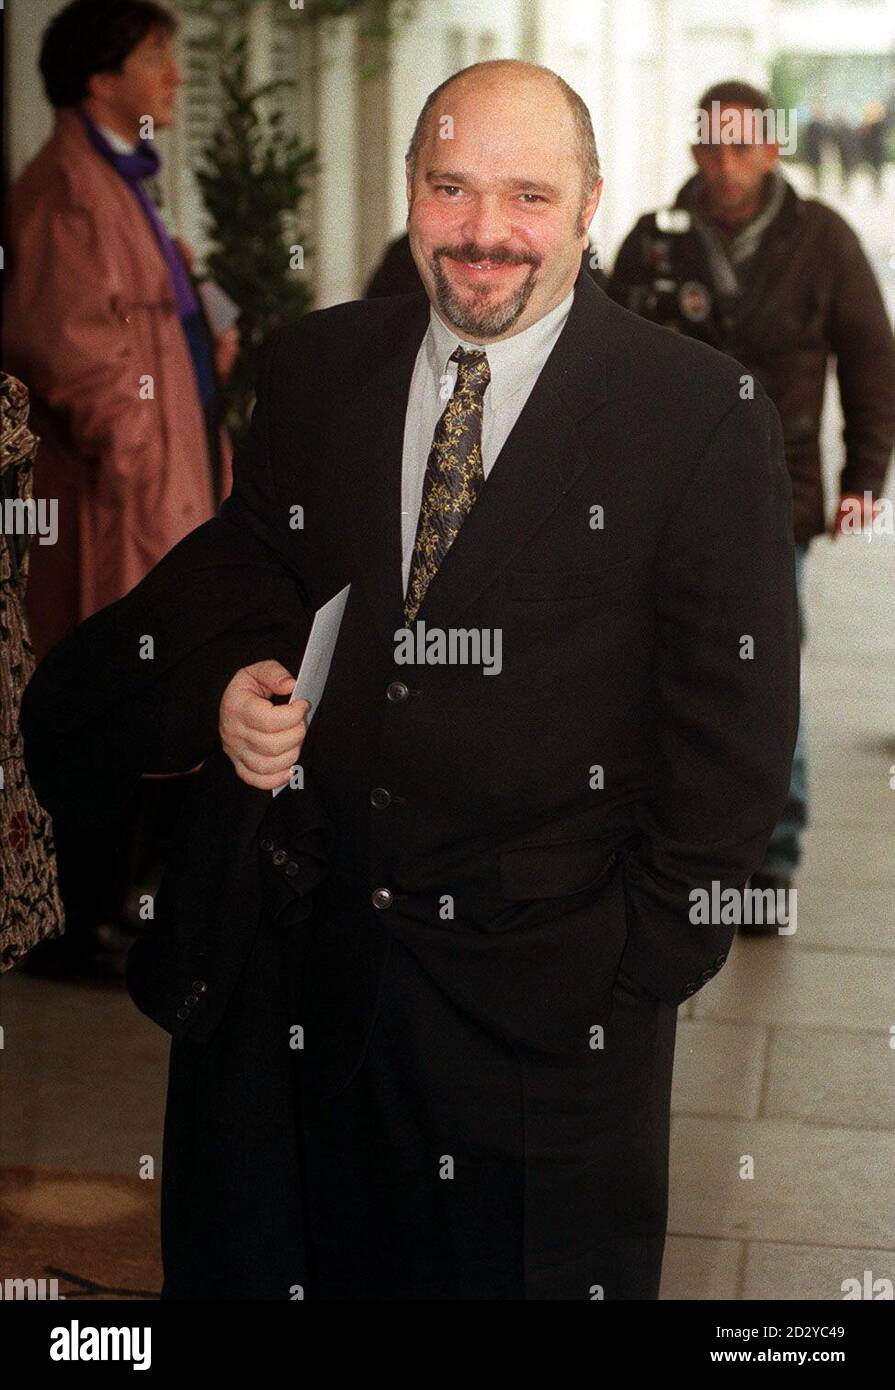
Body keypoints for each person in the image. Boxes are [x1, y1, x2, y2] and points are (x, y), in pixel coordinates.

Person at [22, 59, 799, 1299]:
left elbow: (736, 734)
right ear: (408, 189)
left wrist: (634, 961)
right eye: (450, 188)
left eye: (528, 196)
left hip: (545, 1032)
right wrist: (229, 676)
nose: (486, 233)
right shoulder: (324, 364)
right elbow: (249, 568)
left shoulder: (696, 416)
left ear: (592, 201)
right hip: (303, 991)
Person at [608, 78, 895, 909]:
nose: (725, 165)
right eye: (710, 147)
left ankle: (773, 849)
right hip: (663, 492)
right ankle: (663, 831)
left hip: (778, 493)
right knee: (656, 657)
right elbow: (602, 354)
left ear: (772, 148)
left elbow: (872, 366)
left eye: (742, 147)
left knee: (764, 667)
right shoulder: (655, 239)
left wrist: (862, 482)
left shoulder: (822, 241)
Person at [4, 0, 238, 978]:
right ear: (102, 78)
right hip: (116, 503)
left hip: (160, 489)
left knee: (148, 695)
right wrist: (148, 472)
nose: (173, 81)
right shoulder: (67, 190)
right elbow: (77, 356)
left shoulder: (119, 179)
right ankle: (78, 922)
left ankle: (117, 907)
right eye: (156, 61)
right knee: (108, 698)